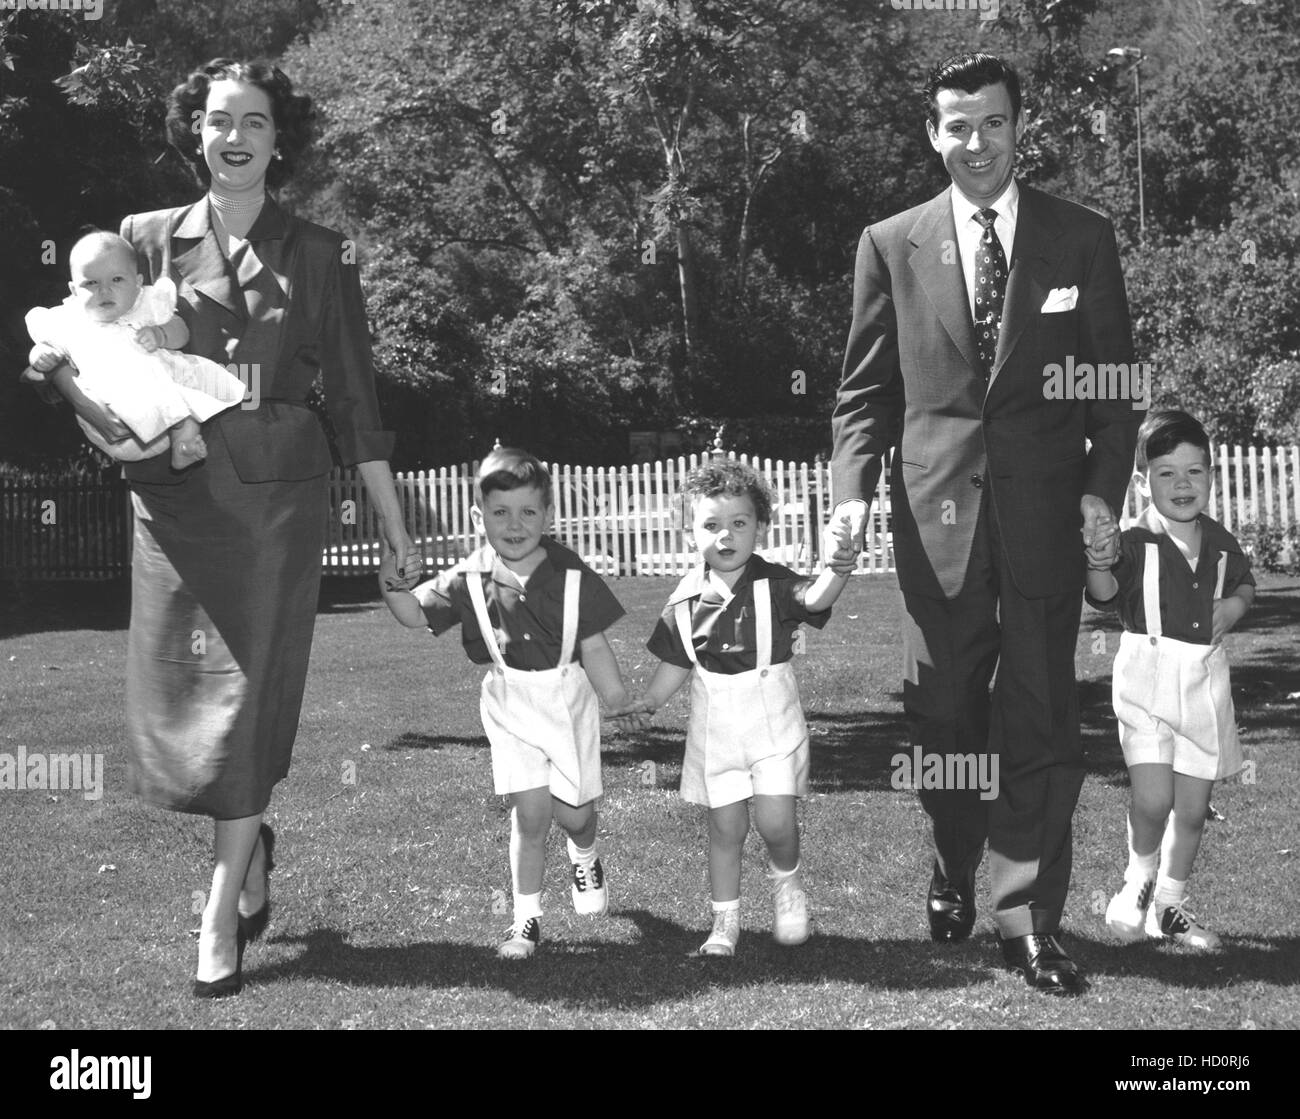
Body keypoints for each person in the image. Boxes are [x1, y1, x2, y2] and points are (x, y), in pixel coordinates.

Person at [24, 59, 421, 998]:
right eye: (215, 120)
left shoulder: (322, 252)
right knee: (184, 702)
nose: (233, 135)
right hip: (173, 500)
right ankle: (249, 845)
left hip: (279, 501)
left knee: (249, 698)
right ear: (191, 132)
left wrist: (398, 528)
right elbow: (92, 372)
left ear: (281, 138)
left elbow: (357, 403)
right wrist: (66, 383)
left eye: (253, 119)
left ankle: (216, 910)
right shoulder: (139, 238)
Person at [828, 52, 1141, 994]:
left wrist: (1102, 487)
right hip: (938, 525)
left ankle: (1027, 919)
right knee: (950, 719)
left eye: (992, 123)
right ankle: (953, 859)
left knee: (1041, 721)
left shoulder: (1081, 239)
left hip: (1047, 524)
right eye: (957, 126)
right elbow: (863, 392)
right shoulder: (891, 243)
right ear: (934, 135)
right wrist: (852, 489)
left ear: (1019, 128)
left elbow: (1114, 388)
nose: (976, 143)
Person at [379, 447, 639, 960]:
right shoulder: (470, 576)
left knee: (576, 813)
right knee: (531, 813)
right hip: (510, 700)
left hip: (566, 697)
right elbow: (413, 614)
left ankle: (584, 852)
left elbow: (592, 643)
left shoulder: (570, 572)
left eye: (527, 512)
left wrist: (616, 698)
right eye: (500, 513)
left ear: (547, 514)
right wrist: (391, 578)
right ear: (480, 517)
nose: (514, 524)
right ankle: (526, 921)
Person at [626, 460, 855, 957]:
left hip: (772, 720)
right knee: (725, 828)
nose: (725, 536)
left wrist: (836, 567)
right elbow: (677, 661)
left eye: (738, 523)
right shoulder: (684, 600)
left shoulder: (773, 583)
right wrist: (650, 700)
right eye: (710, 525)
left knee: (776, 821)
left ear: (760, 528)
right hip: (716, 730)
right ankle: (723, 922)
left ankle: (787, 886)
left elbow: (814, 599)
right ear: (689, 534)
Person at [1087, 410, 1253, 951]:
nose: (1183, 484)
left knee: (1192, 808)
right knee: (1153, 798)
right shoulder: (1134, 543)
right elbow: (1105, 591)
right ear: (1142, 481)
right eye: (1166, 473)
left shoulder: (1222, 542)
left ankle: (1171, 904)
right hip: (1148, 679)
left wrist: (1235, 604)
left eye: (1195, 472)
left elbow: (1246, 585)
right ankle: (1136, 882)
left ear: (1211, 476)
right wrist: (1098, 558)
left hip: (1204, 683)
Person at [26, 231, 246, 469]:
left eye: (117, 280)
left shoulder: (146, 304)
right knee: (170, 404)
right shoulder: (68, 320)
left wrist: (161, 334)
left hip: (166, 416)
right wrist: (40, 358)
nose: (105, 290)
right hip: (112, 421)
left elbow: (181, 332)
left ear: (138, 283)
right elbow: (41, 349)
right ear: (73, 289)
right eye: (91, 283)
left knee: (186, 400)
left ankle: (184, 447)